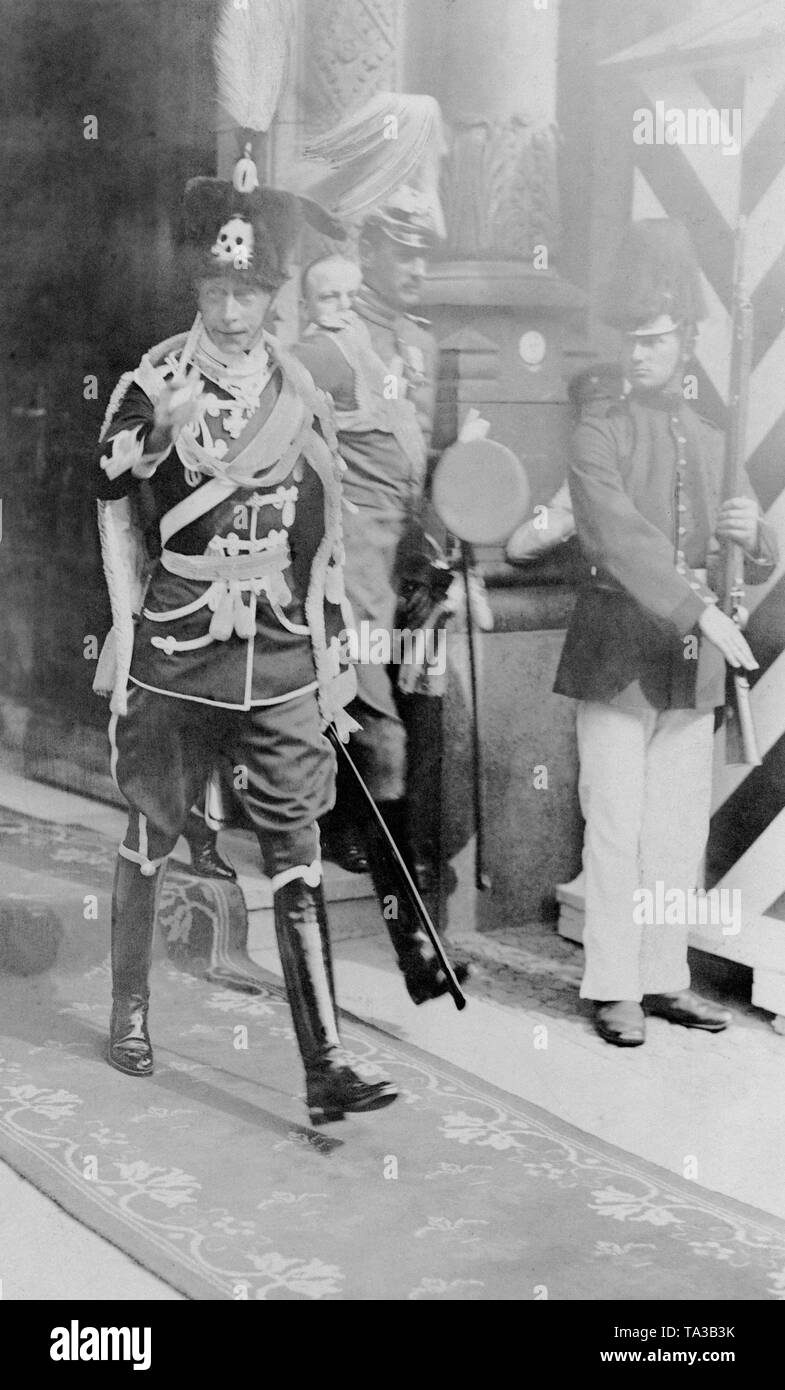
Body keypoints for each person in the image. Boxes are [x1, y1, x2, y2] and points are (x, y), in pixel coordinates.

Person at [92, 153, 397, 1125]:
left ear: (273, 296)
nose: (232, 312)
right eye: (219, 290)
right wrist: (128, 618)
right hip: (180, 646)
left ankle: (326, 1064)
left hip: (274, 650)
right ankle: (129, 1009)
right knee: (148, 833)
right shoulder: (152, 379)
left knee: (296, 848)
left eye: (251, 293)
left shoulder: (299, 388)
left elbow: (327, 532)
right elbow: (108, 498)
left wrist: (335, 658)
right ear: (199, 286)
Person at [553, 218, 778, 1047]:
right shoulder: (598, 426)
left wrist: (751, 531)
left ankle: (660, 977)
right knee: (612, 823)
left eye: (653, 339)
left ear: (685, 339)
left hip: (691, 665)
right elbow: (617, 534)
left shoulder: (711, 435)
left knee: (675, 830)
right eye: (631, 338)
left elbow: (749, 560)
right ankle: (611, 984)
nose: (637, 352)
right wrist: (702, 613)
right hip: (616, 650)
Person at [294, 190, 471, 1005]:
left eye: (427, 255)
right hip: (348, 580)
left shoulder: (422, 345)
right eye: (404, 254)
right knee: (384, 747)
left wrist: (443, 550)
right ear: (367, 252)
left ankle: (407, 925)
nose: (417, 269)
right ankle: (415, 953)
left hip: (410, 579)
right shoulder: (329, 348)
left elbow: (429, 464)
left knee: (414, 744)